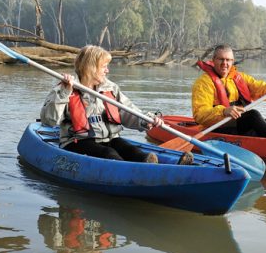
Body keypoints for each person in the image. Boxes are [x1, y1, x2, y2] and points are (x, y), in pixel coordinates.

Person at [41, 44, 194, 164]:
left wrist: (146, 120)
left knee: (134, 152)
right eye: (104, 66)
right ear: (91, 68)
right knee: (109, 154)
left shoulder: (110, 88)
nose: (107, 71)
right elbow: (49, 120)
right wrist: (65, 92)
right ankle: (132, 174)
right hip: (77, 142)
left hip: (109, 139)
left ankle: (168, 167)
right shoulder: (64, 88)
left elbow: (128, 111)